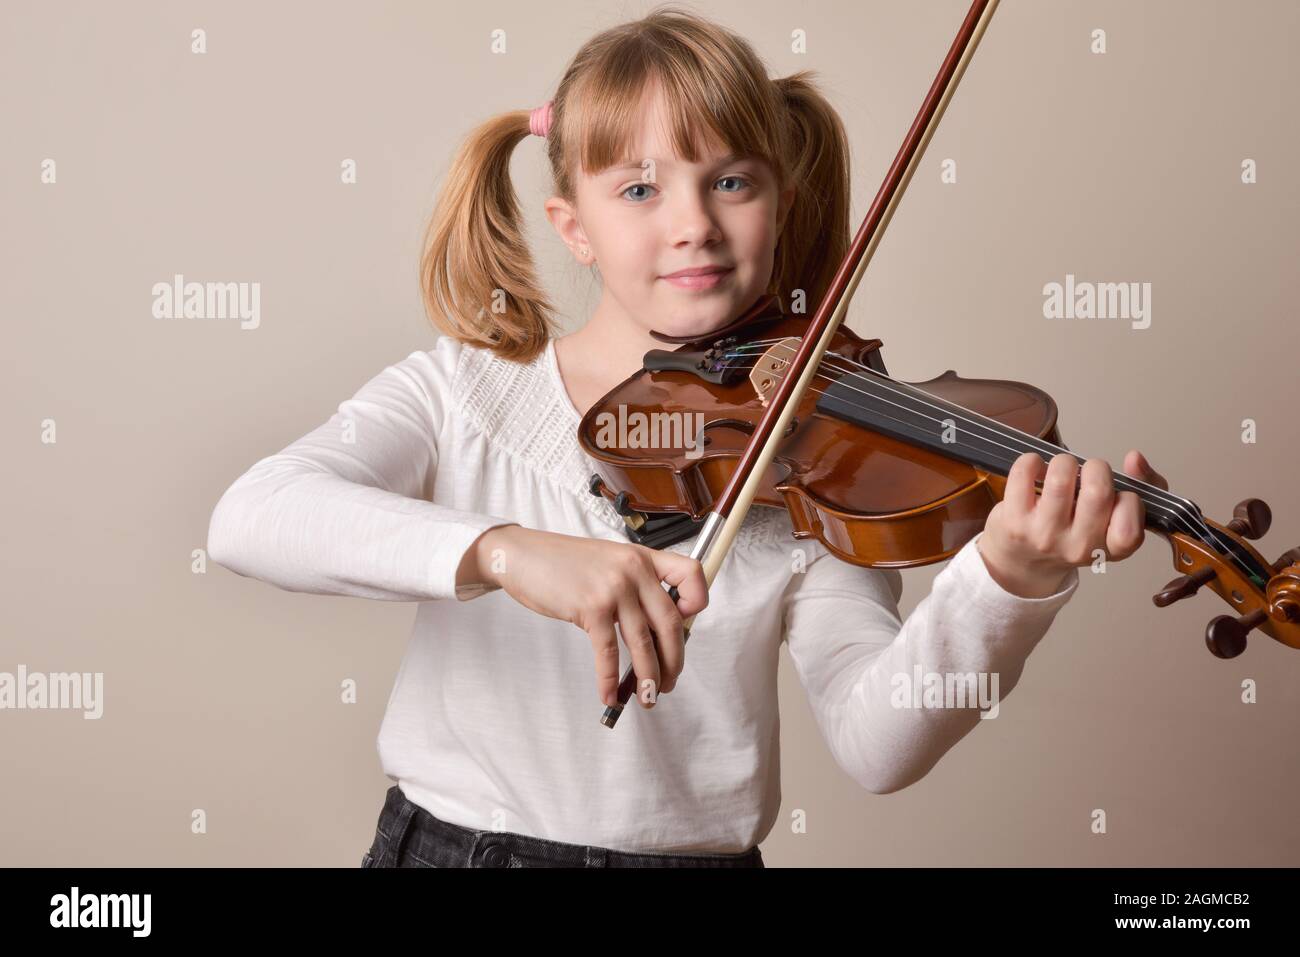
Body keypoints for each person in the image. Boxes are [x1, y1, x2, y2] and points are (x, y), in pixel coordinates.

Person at [206, 5, 1167, 868]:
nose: (693, 225)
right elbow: (252, 516)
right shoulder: (466, 391)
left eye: (731, 182)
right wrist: (506, 551)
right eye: (639, 191)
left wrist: (1007, 581)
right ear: (571, 225)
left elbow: (879, 744)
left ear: (779, 200)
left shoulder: (818, 457)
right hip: (454, 852)